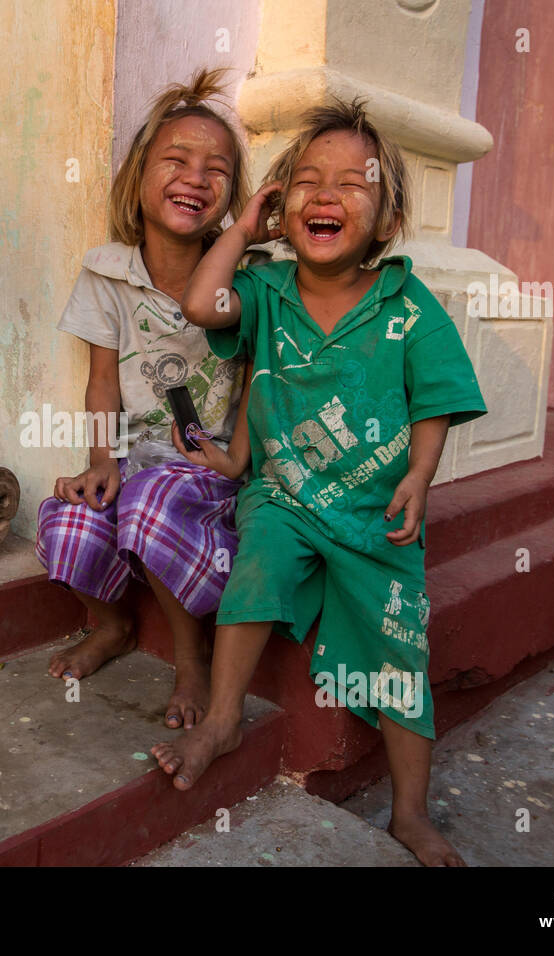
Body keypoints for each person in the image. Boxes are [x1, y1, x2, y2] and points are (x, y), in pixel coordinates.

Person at [155, 97, 486, 866]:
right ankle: (224, 716)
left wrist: (421, 477)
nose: (326, 194)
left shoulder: (407, 306)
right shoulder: (265, 290)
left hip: (377, 514)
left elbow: (434, 398)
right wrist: (242, 230)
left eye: (353, 184)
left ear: (388, 217)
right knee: (258, 557)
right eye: (306, 180)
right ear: (280, 205)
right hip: (288, 496)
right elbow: (203, 302)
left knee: (402, 652)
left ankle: (410, 812)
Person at [35, 67, 272, 730]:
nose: (195, 177)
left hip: (207, 473)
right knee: (66, 521)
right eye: (175, 160)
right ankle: (112, 625)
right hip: (136, 465)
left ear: (230, 199)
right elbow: (103, 379)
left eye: (215, 168)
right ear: (137, 180)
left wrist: (236, 459)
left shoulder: (245, 281)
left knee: (147, 502)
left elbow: (258, 372)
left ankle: (192, 659)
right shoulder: (107, 272)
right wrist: (101, 460)